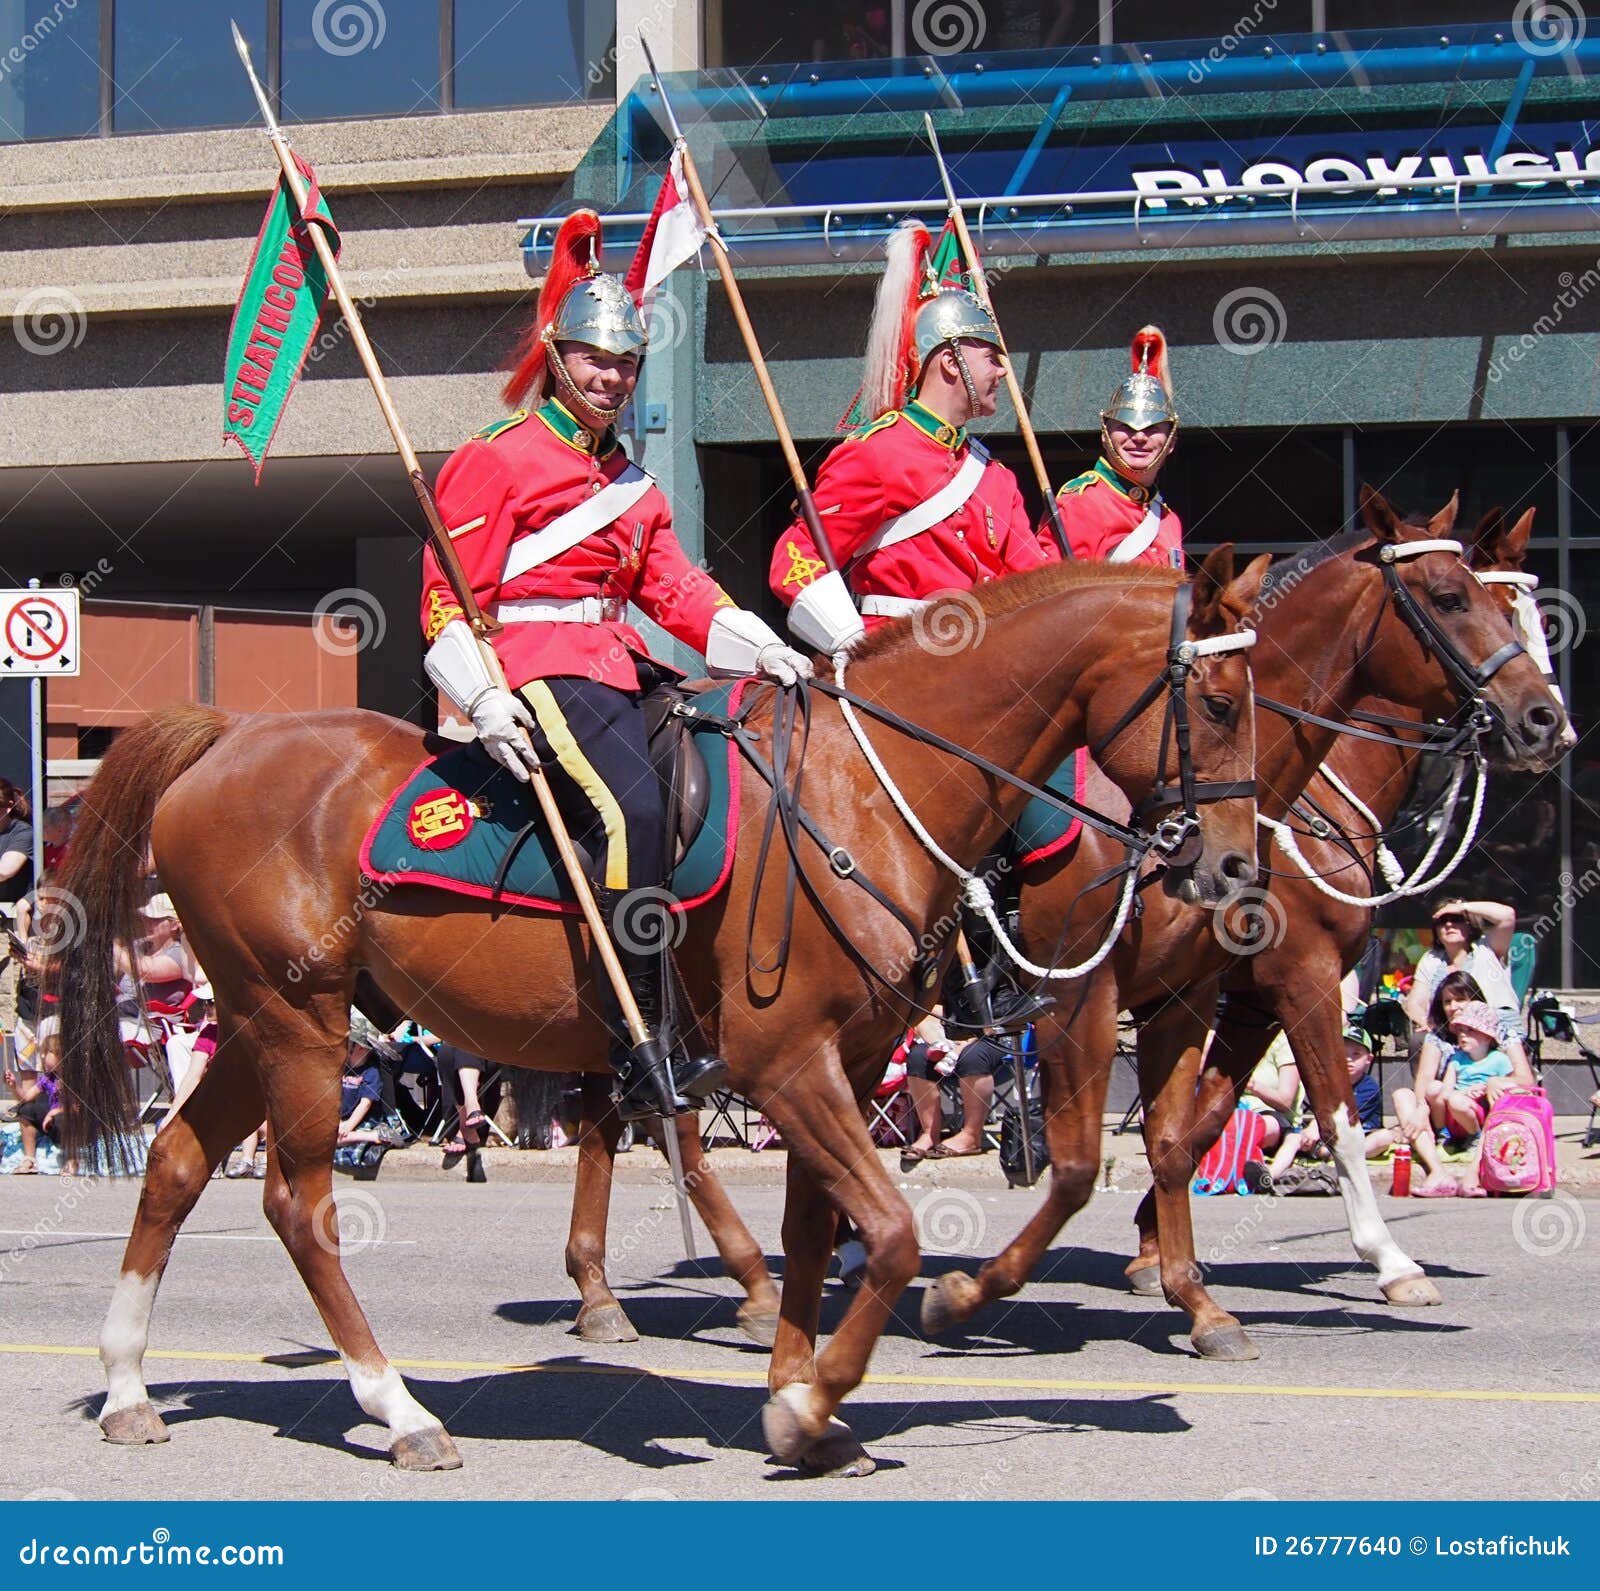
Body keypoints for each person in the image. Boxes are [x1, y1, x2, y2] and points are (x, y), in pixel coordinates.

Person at [420, 208, 812, 1122]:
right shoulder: (497, 458)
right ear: (558, 356)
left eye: (626, 363)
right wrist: (482, 694)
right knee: (632, 804)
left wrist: (765, 646)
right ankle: (643, 1036)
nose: (612, 377)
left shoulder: (632, 484)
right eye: (597, 358)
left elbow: (676, 591)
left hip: (622, 663)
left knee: (724, 767)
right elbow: (448, 597)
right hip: (536, 663)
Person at [768, 218, 1048, 656]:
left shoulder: (996, 477)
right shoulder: (877, 454)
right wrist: (847, 642)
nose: (1001, 371)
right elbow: (796, 561)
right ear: (951, 363)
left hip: (985, 663)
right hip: (897, 661)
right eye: (991, 357)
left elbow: (1036, 582)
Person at [1048, 327, 1184, 569]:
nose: (1139, 437)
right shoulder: (1081, 503)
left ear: (1171, 441)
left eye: (1152, 428)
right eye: (1127, 426)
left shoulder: (1168, 520)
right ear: (1105, 433)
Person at [1403, 895, 1518, 1035]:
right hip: (1448, 1031)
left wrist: (1462, 907)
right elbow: (1414, 1003)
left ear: (1470, 925)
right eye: (1442, 921)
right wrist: (1426, 1023)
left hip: (1495, 1029)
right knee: (1419, 1040)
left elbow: (1507, 916)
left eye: (1457, 919)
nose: (1449, 924)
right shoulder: (1431, 959)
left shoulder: (1488, 948)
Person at [0, 778, 34, 1036]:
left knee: (4, 994)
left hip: (6, 924)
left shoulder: (21, 832)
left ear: (8, 806)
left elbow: (5, 870)